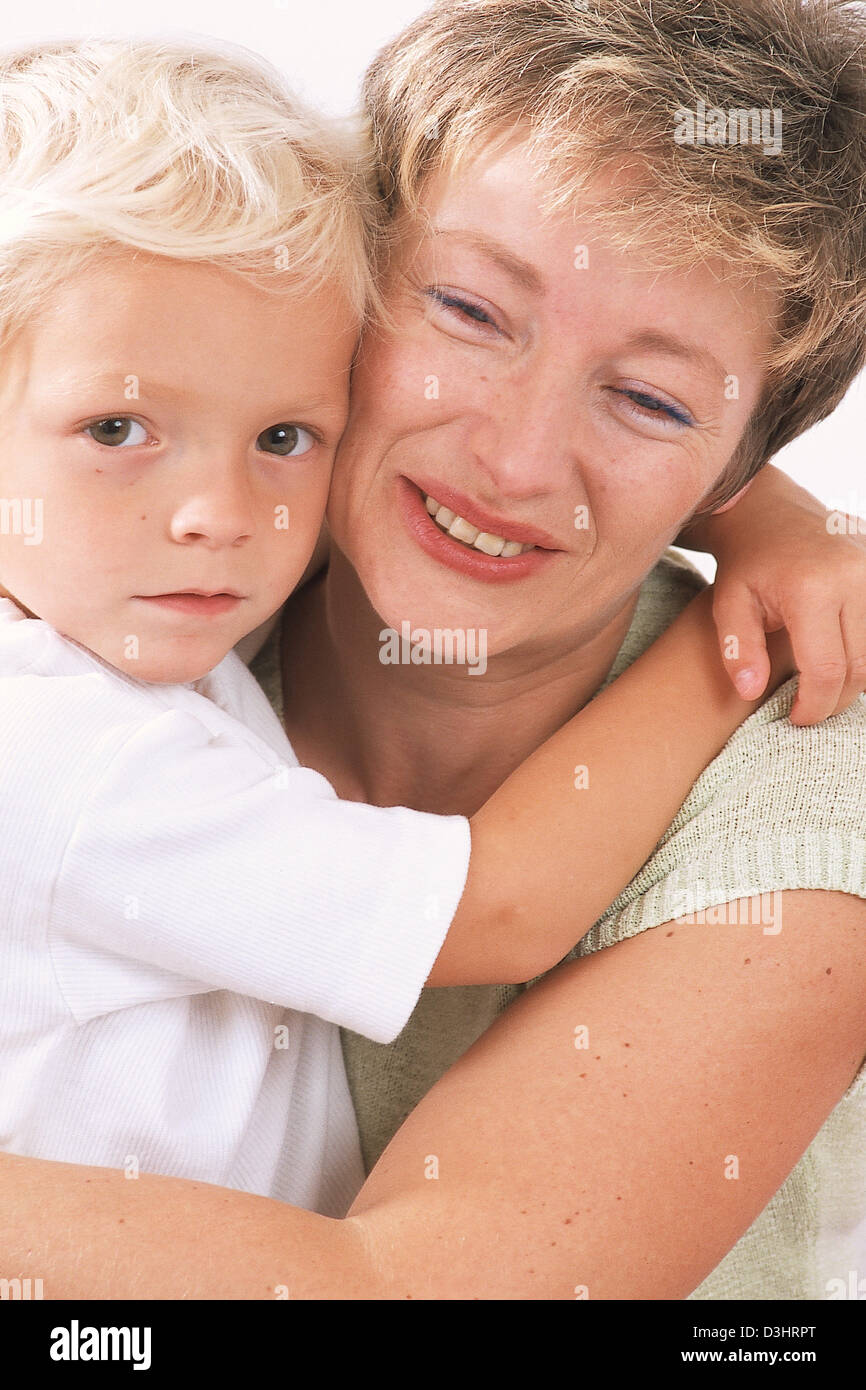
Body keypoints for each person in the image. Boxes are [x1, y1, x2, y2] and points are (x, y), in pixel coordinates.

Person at [2, 0, 866, 1298]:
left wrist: (768, 556)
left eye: (648, 399)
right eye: (467, 309)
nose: (511, 461)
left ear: (735, 462)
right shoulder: (172, 592)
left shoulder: (806, 803)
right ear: (344, 282)